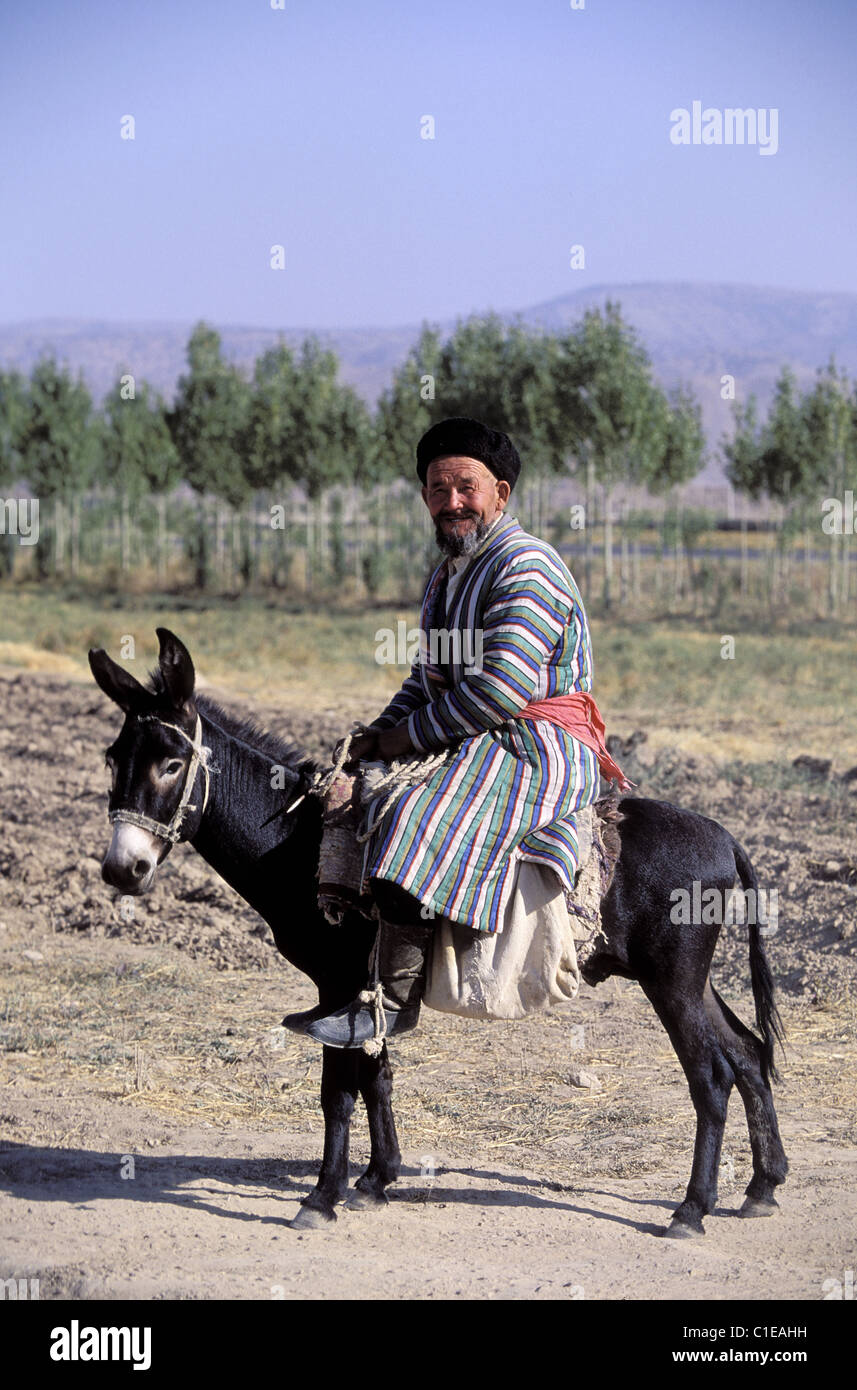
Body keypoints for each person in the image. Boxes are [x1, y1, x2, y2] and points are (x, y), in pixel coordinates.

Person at [297, 416, 629, 1049]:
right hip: (480, 732)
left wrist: (404, 743)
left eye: (466, 488)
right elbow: (429, 681)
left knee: (417, 817)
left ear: (500, 495)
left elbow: (502, 691)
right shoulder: (447, 575)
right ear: (425, 498)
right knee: (354, 787)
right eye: (438, 490)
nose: (452, 502)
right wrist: (378, 734)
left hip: (536, 743)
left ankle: (389, 1004)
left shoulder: (524, 565)